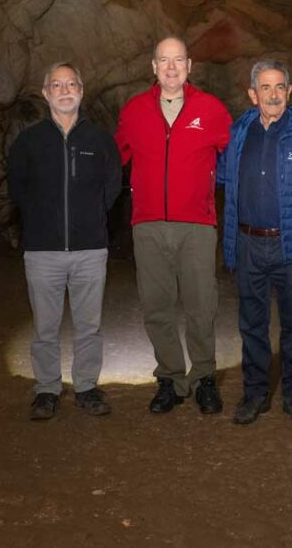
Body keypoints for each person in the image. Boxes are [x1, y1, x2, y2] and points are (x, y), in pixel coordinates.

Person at [115, 37, 232, 414]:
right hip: (148, 225)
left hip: (196, 225)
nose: (170, 67)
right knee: (157, 306)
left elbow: (232, 158)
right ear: (153, 66)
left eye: (177, 60)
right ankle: (170, 378)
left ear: (189, 65)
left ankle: (204, 378)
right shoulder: (134, 111)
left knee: (201, 305)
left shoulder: (210, 109)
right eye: (163, 61)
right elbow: (113, 158)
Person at [218, 60, 292, 426]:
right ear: (253, 94)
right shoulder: (239, 133)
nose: (272, 94)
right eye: (264, 88)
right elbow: (223, 180)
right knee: (251, 323)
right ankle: (255, 393)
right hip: (250, 241)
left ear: (289, 91)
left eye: (279, 87)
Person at [7, 62, 122, 421]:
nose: (64, 90)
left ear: (81, 90)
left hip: (90, 248)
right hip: (43, 250)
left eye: (71, 84)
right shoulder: (29, 142)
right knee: (45, 326)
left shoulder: (100, 140)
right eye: (56, 85)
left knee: (89, 325)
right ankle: (46, 389)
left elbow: (112, 185)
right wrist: (44, 220)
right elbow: (18, 188)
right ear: (46, 94)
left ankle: (86, 386)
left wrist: (90, 217)